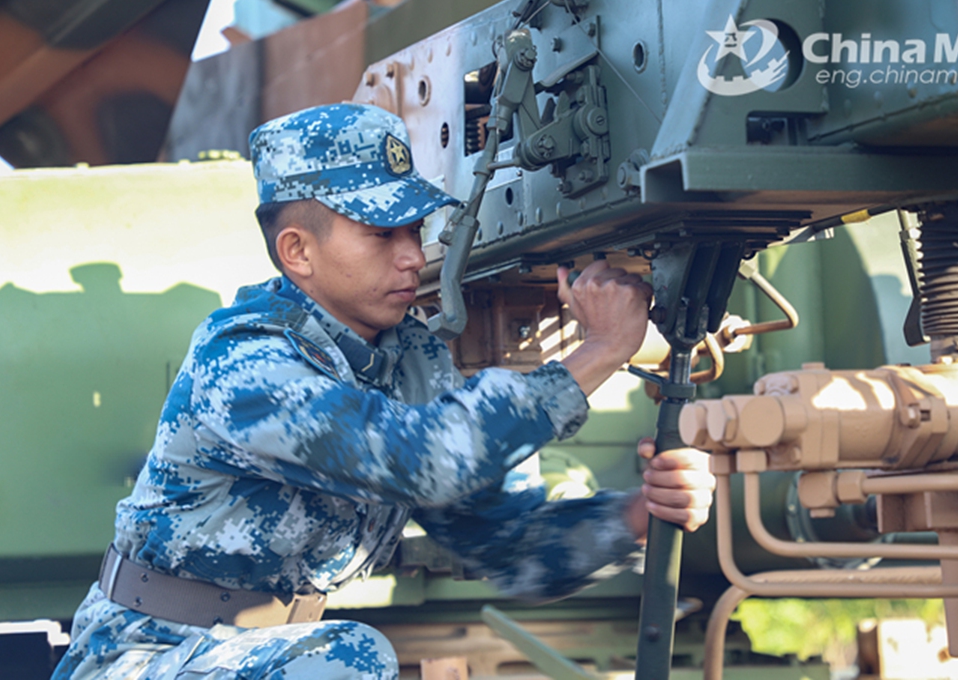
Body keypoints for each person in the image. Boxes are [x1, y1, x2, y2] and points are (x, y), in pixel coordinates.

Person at [51, 103, 713, 679]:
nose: (410, 256)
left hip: (268, 653)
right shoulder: (244, 359)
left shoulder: (412, 361)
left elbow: (508, 549)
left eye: (413, 231)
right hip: (146, 657)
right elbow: (424, 461)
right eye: (379, 234)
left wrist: (636, 515)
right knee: (352, 657)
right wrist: (596, 354)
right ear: (297, 252)